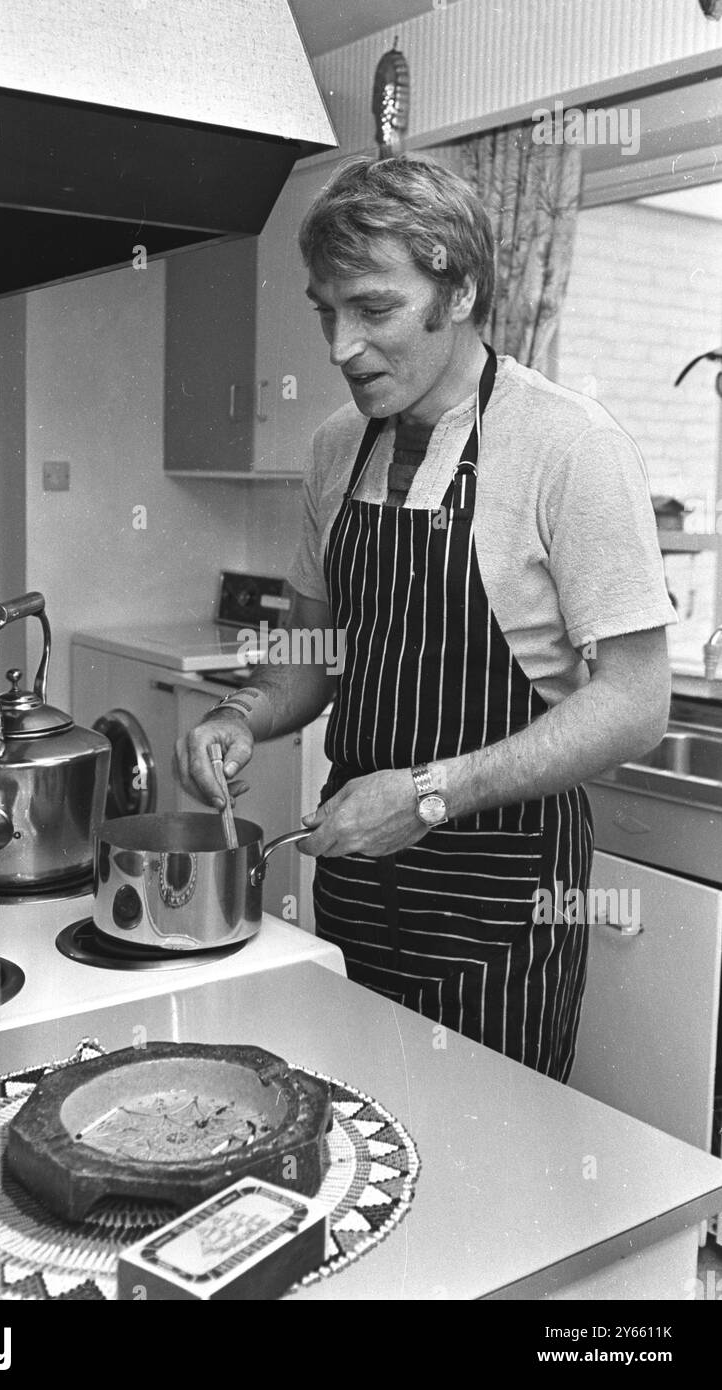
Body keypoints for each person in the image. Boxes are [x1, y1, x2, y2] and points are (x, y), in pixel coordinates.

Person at [174, 154, 675, 1082]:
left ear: (459, 292)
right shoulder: (336, 445)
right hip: (358, 864)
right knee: (357, 1123)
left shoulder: (570, 447)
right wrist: (240, 715)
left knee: (486, 1165)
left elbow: (639, 705)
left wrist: (430, 794)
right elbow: (316, 653)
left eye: (373, 309)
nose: (340, 347)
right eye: (327, 311)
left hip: (504, 887)